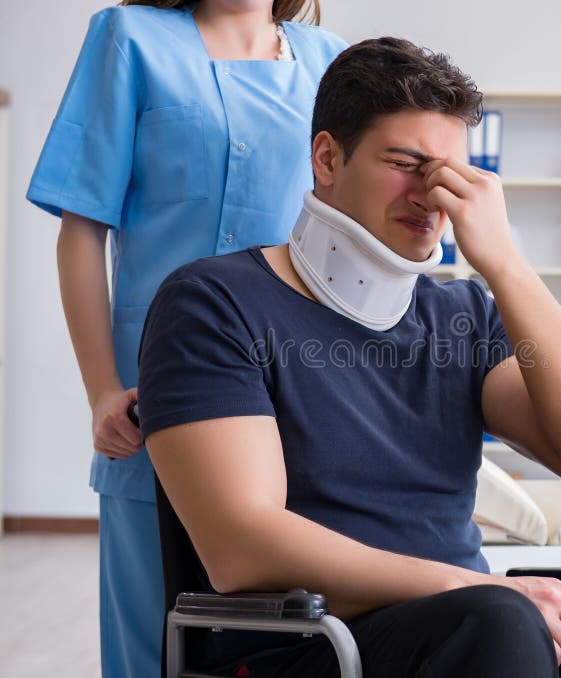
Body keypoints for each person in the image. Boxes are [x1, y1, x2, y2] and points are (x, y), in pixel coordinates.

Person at [137, 38, 561, 677]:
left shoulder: (460, 315)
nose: (433, 195)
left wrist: (506, 262)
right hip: (306, 644)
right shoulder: (212, 303)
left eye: (452, 175)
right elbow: (242, 546)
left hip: (476, 635)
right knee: (497, 622)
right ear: (327, 157)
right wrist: (469, 589)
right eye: (406, 163)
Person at [26, 1, 346, 675]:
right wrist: (100, 390)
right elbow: (82, 231)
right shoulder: (128, 38)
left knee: (288, 642)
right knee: (153, 641)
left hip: (297, 395)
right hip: (154, 403)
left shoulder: (328, 62)